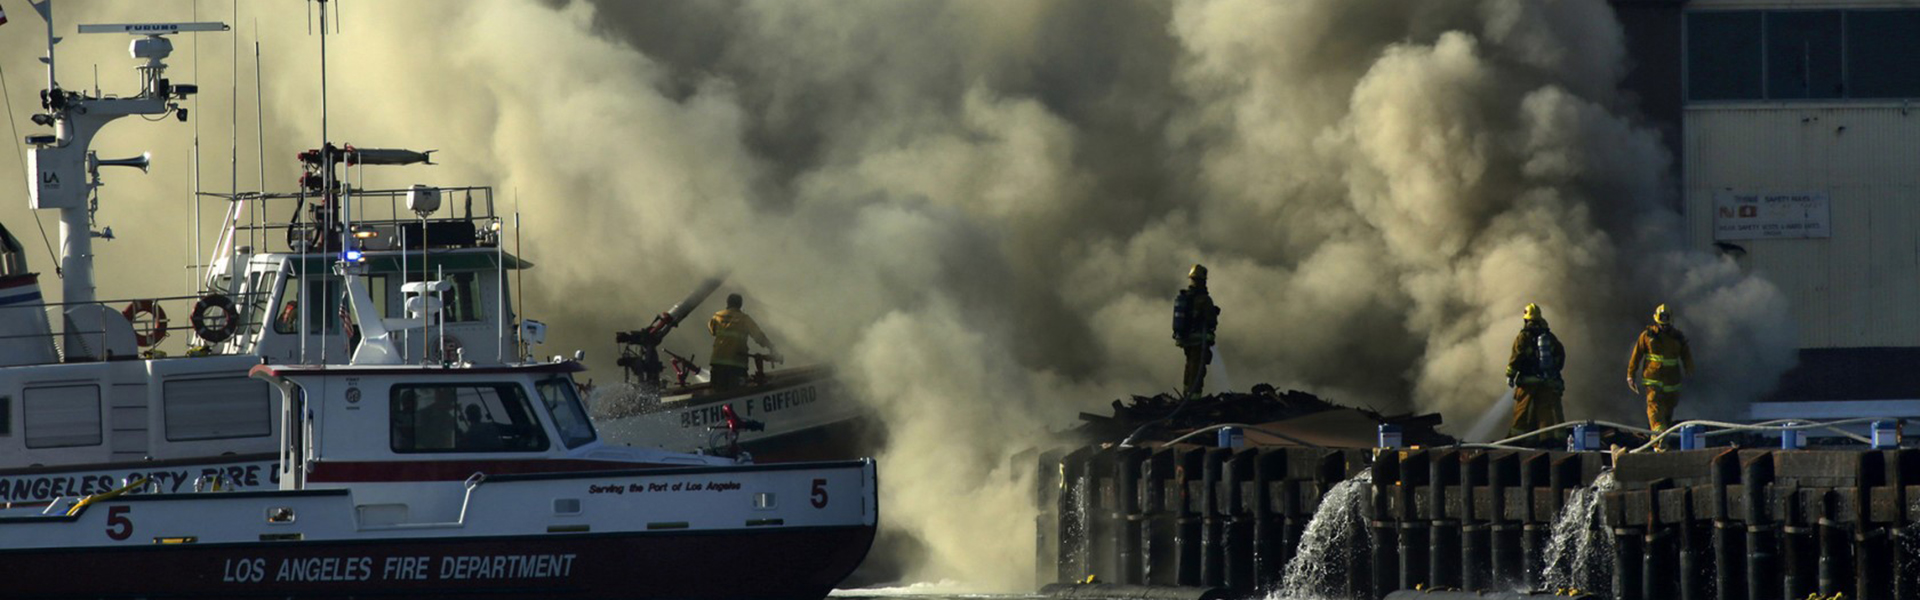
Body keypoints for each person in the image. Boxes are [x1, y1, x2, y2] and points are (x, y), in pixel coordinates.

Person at [1627, 304, 1693, 433]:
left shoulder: (1677, 337)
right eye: (1661, 325)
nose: (1664, 327)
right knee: (1654, 408)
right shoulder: (1647, 336)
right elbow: (1637, 355)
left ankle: (1660, 436)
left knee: (1668, 410)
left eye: (1666, 325)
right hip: (1653, 379)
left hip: (1672, 381)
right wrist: (1630, 374)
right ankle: (1659, 438)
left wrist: (1689, 370)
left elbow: (1687, 356)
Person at [1506, 303, 1566, 438]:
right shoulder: (1550, 337)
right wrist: (1552, 372)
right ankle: (1547, 440)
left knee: (1522, 413)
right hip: (1548, 382)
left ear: (1526, 319)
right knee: (1546, 414)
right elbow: (1560, 356)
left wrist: (1510, 375)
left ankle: (1517, 440)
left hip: (1528, 383)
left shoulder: (1523, 337)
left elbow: (1517, 356)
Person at [1172, 264, 1220, 399]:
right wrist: (1214, 313)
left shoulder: (1186, 297)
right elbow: (1211, 321)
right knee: (1197, 370)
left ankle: (1186, 394)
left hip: (1186, 339)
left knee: (1189, 367)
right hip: (1199, 340)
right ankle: (1194, 399)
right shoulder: (1204, 299)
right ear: (1202, 280)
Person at [708, 293, 774, 390]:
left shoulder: (717, 316)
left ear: (727, 303)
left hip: (718, 364)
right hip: (736, 365)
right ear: (740, 304)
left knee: (718, 393)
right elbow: (758, 336)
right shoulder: (744, 319)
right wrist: (771, 346)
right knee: (737, 393)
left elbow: (712, 330)